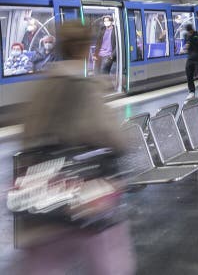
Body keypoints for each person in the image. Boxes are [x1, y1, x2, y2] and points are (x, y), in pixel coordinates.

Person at [18, 20, 135, 274]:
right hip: (85, 198)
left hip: (41, 197)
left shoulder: (39, 88)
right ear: (85, 49)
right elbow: (113, 137)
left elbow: (27, 137)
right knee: (109, 261)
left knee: (43, 264)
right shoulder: (86, 90)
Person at [183, 24, 198, 97]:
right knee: (188, 73)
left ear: (192, 29)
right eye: (188, 32)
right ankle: (192, 91)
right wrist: (185, 47)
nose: (189, 33)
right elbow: (185, 45)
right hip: (190, 58)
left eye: (190, 31)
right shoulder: (186, 36)